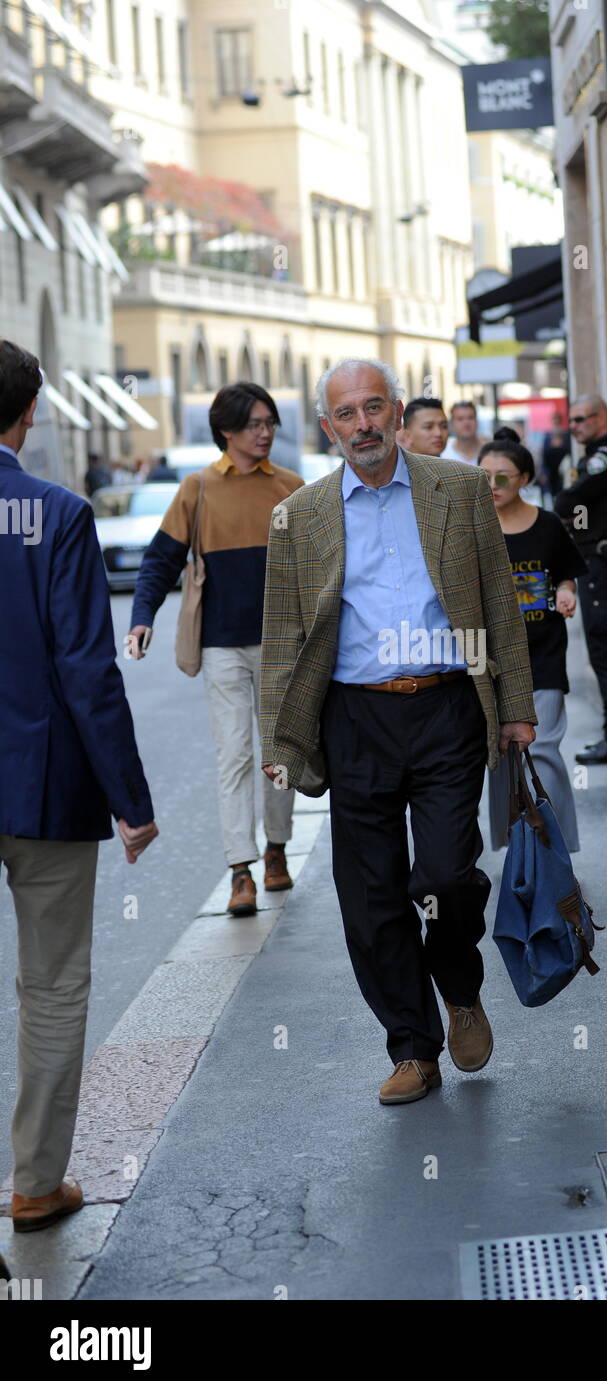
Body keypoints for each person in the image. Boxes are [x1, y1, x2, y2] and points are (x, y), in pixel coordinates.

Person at [259, 358, 536, 1107]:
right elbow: (282, 637)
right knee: (371, 894)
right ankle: (412, 1048)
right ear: (327, 428)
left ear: (394, 410)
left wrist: (515, 705)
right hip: (354, 719)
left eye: (373, 407)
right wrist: (280, 746)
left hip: (446, 707)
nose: (364, 425)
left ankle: (460, 987)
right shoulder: (302, 514)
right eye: (345, 414)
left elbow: (497, 604)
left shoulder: (459, 488)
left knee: (446, 874)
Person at [0, 340, 157, 1254]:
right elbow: (85, 669)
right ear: (27, 416)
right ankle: (31, 1184)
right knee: (53, 985)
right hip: (46, 787)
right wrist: (129, 800)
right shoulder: (53, 514)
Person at [127, 382, 304, 915]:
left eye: (270, 422)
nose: (265, 432)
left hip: (281, 647)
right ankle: (240, 870)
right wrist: (141, 620)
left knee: (280, 756)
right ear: (226, 431)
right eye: (254, 424)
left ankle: (276, 850)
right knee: (234, 755)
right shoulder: (197, 488)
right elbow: (159, 562)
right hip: (222, 645)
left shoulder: (292, 487)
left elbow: (323, 566)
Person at [479, 428, 584, 852]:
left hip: (542, 655)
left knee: (543, 753)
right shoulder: (472, 530)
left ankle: (556, 846)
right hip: (487, 663)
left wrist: (566, 590)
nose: (492, 485)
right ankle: (514, 850)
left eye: (502, 475)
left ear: (524, 478)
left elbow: (566, 573)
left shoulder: (548, 526)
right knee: (500, 759)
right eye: (483, 475)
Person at [554, 394, 607, 764]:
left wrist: (565, 506)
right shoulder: (591, 455)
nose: (575, 425)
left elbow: (571, 498)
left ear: (604, 417)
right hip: (594, 562)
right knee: (602, 649)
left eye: (583, 419)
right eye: (572, 420)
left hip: (602, 565)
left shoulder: (606, 454)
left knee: (605, 649)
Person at [537, 410, 571, 506]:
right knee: (551, 494)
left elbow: (568, 451)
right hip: (551, 471)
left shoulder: (565, 435)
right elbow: (543, 455)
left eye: (557, 419)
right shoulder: (548, 436)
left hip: (562, 470)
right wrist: (543, 472)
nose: (555, 421)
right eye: (554, 419)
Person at [441, 399, 487, 464]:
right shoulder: (443, 451)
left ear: (477, 421)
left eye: (470, 418)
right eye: (460, 419)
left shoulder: (489, 451)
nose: (466, 423)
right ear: (451, 424)